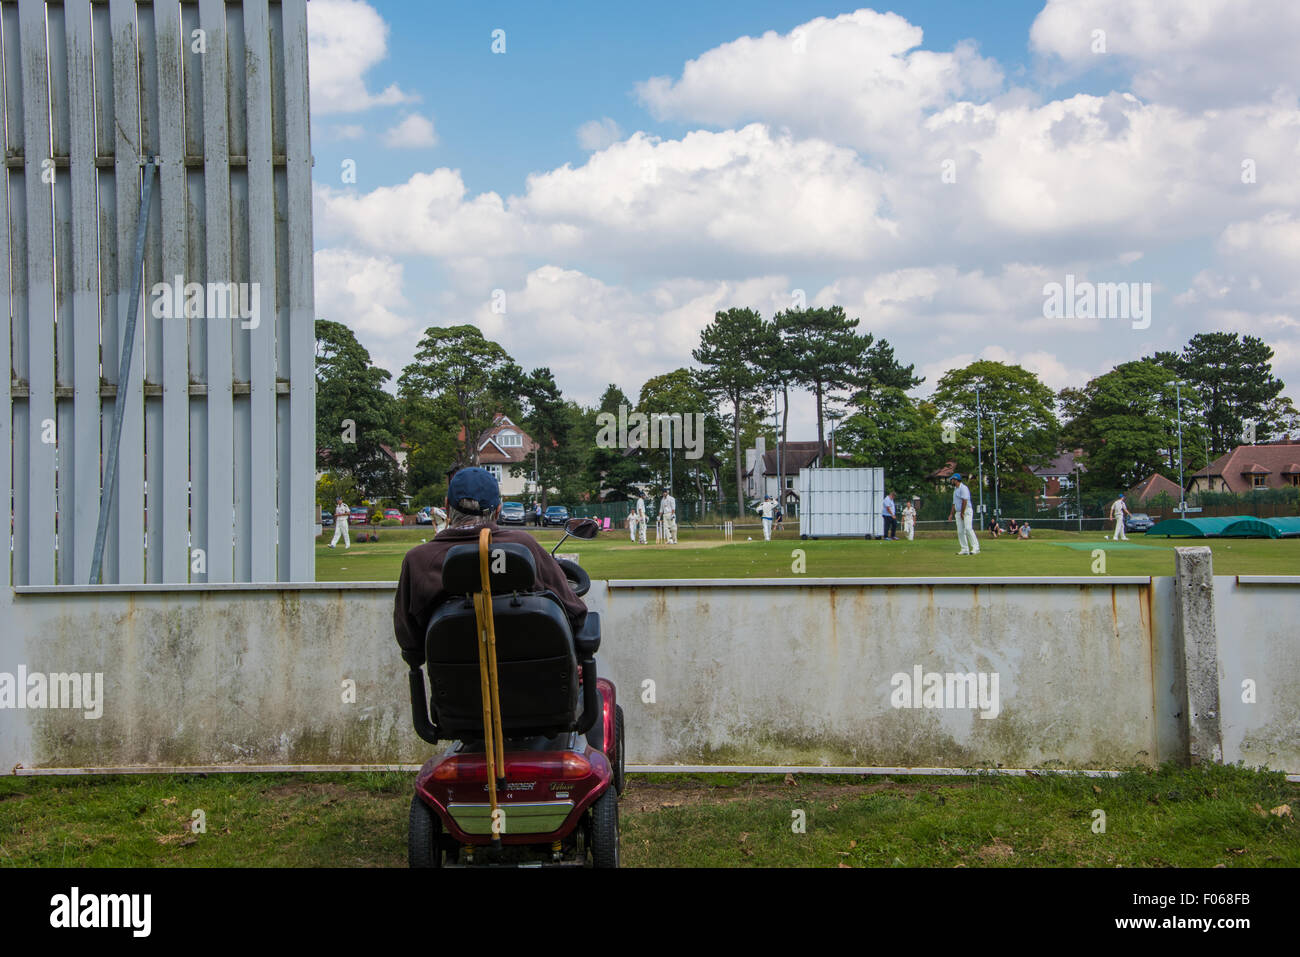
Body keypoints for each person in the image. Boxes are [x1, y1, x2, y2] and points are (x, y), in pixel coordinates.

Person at [393, 467, 588, 665]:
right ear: (498, 509)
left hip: (455, 690)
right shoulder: (523, 547)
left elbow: (411, 645)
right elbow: (575, 613)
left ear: (446, 506)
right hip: (535, 688)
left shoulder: (418, 560)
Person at [947, 473, 980, 555]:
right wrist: (951, 514)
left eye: (952, 479)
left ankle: (976, 548)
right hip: (958, 512)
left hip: (966, 511)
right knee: (960, 531)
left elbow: (965, 501)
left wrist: (962, 513)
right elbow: (954, 503)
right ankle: (965, 549)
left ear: (956, 480)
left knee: (968, 528)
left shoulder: (964, 488)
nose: (951, 481)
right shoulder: (955, 490)